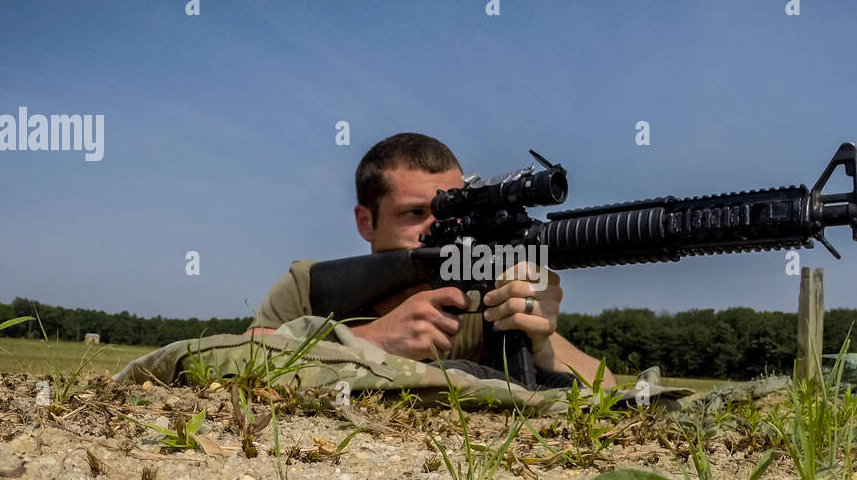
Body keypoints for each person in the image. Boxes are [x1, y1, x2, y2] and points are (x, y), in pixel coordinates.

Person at [249, 133, 616, 390]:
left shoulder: (479, 294)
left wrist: (540, 338)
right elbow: (240, 359)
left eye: (453, 209)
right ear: (366, 222)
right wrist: (372, 340)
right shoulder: (307, 287)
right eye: (415, 212)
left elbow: (606, 383)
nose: (440, 226)